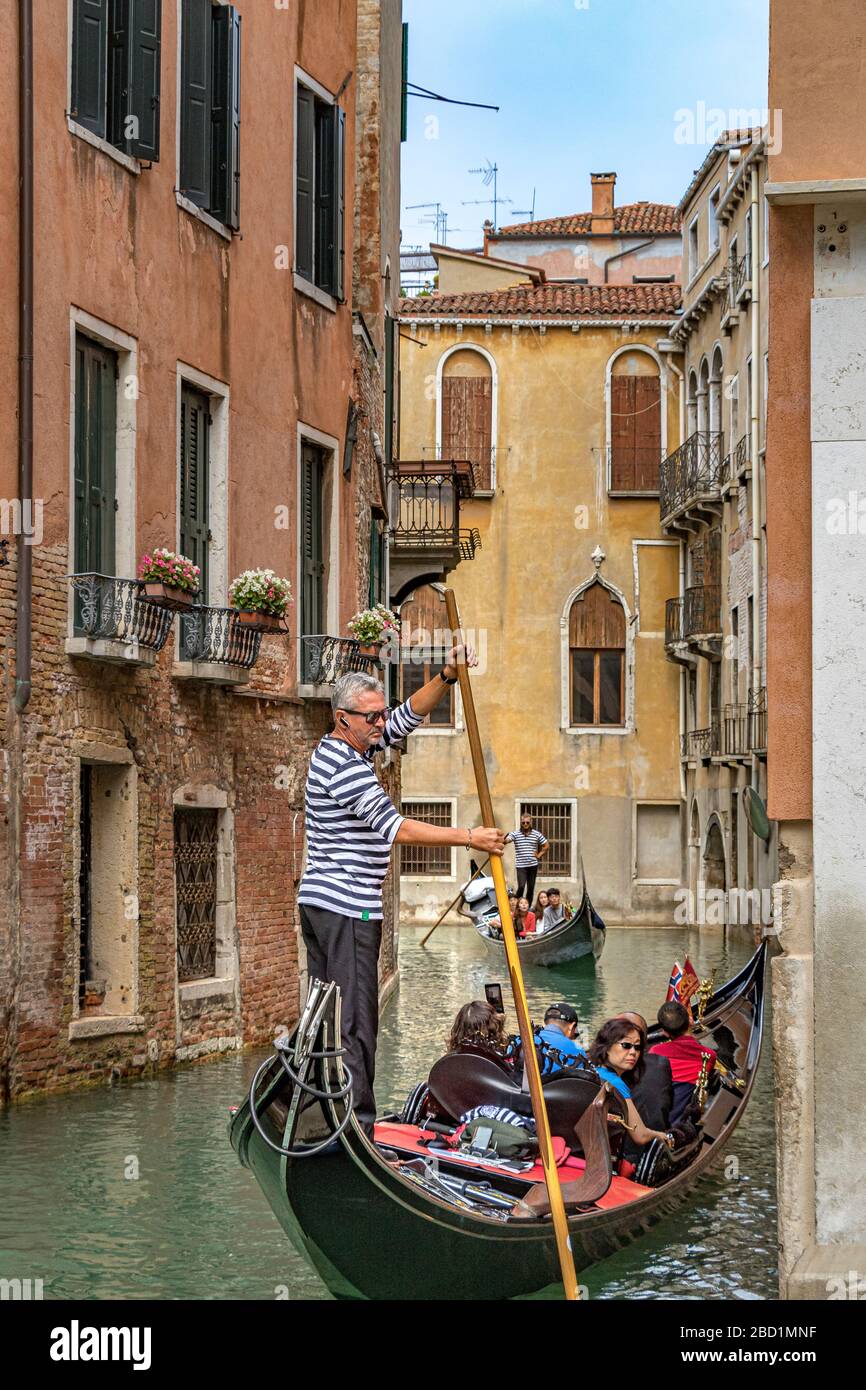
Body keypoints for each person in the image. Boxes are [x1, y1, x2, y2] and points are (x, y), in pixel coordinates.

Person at [298, 656, 507, 1136]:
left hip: (324, 904)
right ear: (342, 718)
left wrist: (446, 677)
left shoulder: (353, 746)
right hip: (347, 908)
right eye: (370, 717)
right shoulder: (343, 766)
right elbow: (397, 827)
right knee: (356, 1023)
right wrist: (470, 837)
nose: (380, 723)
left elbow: (406, 715)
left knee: (327, 1016)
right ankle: (356, 1128)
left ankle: (320, 1110)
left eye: (379, 714)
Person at [587, 1018, 674, 1149]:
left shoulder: (592, 1070)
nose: (633, 1052)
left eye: (637, 1047)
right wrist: (664, 1136)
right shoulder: (615, 1083)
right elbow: (640, 1135)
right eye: (626, 1045)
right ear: (607, 1047)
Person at [614, 1011, 674, 1162]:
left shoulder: (600, 1070)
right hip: (642, 1154)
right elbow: (640, 1135)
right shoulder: (660, 1065)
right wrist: (664, 1136)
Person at [650, 1000, 717, 1124]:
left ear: (664, 1032)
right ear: (691, 1022)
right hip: (683, 1118)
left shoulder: (655, 1052)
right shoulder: (709, 1056)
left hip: (658, 1118)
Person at [506, 813, 550, 906]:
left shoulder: (537, 834)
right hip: (521, 866)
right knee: (521, 886)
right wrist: (504, 839)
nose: (525, 824)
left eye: (527, 822)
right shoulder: (515, 834)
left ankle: (527, 907)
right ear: (521, 823)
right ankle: (517, 906)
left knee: (530, 888)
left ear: (531, 822)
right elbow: (507, 840)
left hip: (533, 865)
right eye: (523, 822)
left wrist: (539, 855)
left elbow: (546, 845)